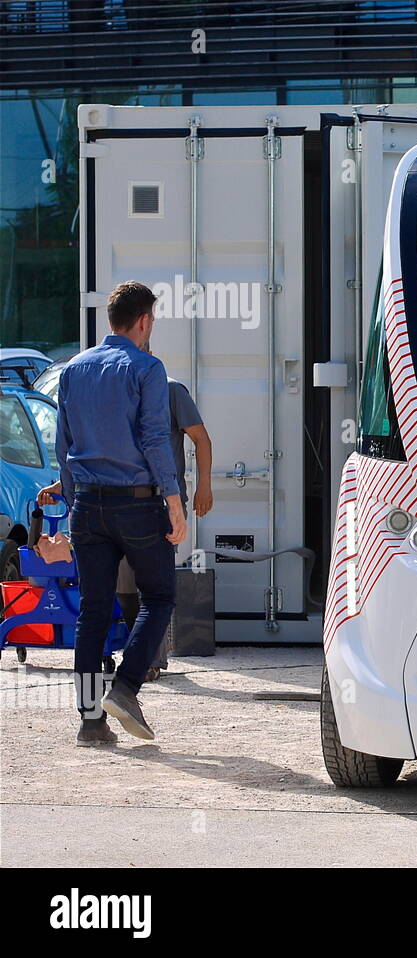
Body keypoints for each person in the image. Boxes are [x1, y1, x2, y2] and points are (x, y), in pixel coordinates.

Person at [41, 280, 187, 746]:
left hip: (87, 504)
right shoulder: (147, 367)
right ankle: (125, 689)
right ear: (143, 321)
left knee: (93, 611)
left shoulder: (73, 369)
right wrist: (174, 501)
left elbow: (63, 444)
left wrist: (69, 496)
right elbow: (153, 439)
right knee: (159, 597)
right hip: (138, 504)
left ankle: (90, 722)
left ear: (111, 319)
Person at [115, 350, 212, 681]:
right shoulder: (122, 394)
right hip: (124, 502)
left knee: (151, 583)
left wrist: (203, 487)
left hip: (163, 503)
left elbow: (201, 439)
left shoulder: (172, 391)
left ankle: (150, 660)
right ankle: (143, 651)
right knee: (124, 584)